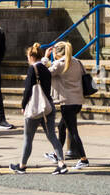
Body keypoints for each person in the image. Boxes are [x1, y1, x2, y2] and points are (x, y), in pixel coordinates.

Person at [9, 44, 67, 175]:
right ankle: (61, 163)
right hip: (48, 107)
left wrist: (23, 105)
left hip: (34, 109)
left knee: (28, 138)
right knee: (52, 136)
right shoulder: (46, 69)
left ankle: (22, 166)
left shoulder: (32, 69)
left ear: (30, 56)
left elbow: (28, 90)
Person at [43, 41, 89, 171]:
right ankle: (57, 155)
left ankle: (84, 159)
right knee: (62, 127)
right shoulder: (77, 62)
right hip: (77, 101)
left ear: (56, 53)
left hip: (67, 102)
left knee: (73, 131)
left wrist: (46, 57)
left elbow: (43, 73)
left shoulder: (60, 64)